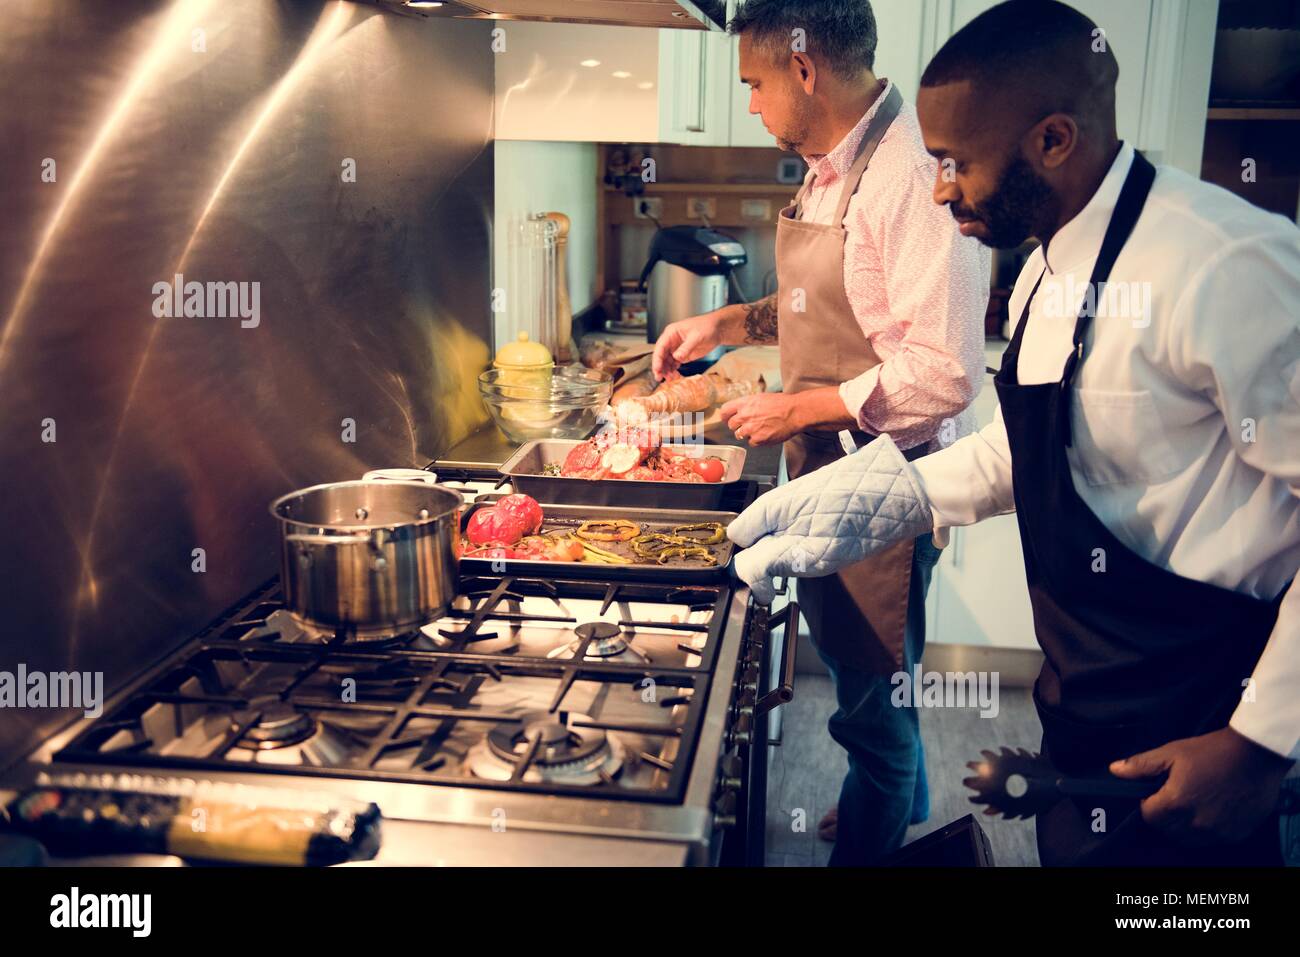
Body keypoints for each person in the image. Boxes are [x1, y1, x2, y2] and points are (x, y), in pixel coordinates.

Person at [728, 0, 1300, 865]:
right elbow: (1023, 453)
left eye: (954, 162)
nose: (938, 187)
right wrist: (884, 498)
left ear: (1054, 141)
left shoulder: (1225, 266)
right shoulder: (1043, 266)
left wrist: (1261, 742)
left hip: (1209, 724)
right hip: (1086, 706)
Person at [651, 0, 990, 865]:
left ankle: (883, 794)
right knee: (873, 681)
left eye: (756, 86)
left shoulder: (909, 174)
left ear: (804, 69)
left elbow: (944, 373)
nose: (753, 107)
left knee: (868, 711)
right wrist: (730, 323)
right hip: (831, 468)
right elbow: (830, 303)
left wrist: (797, 409)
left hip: (886, 483)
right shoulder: (832, 164)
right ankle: (895, 790)